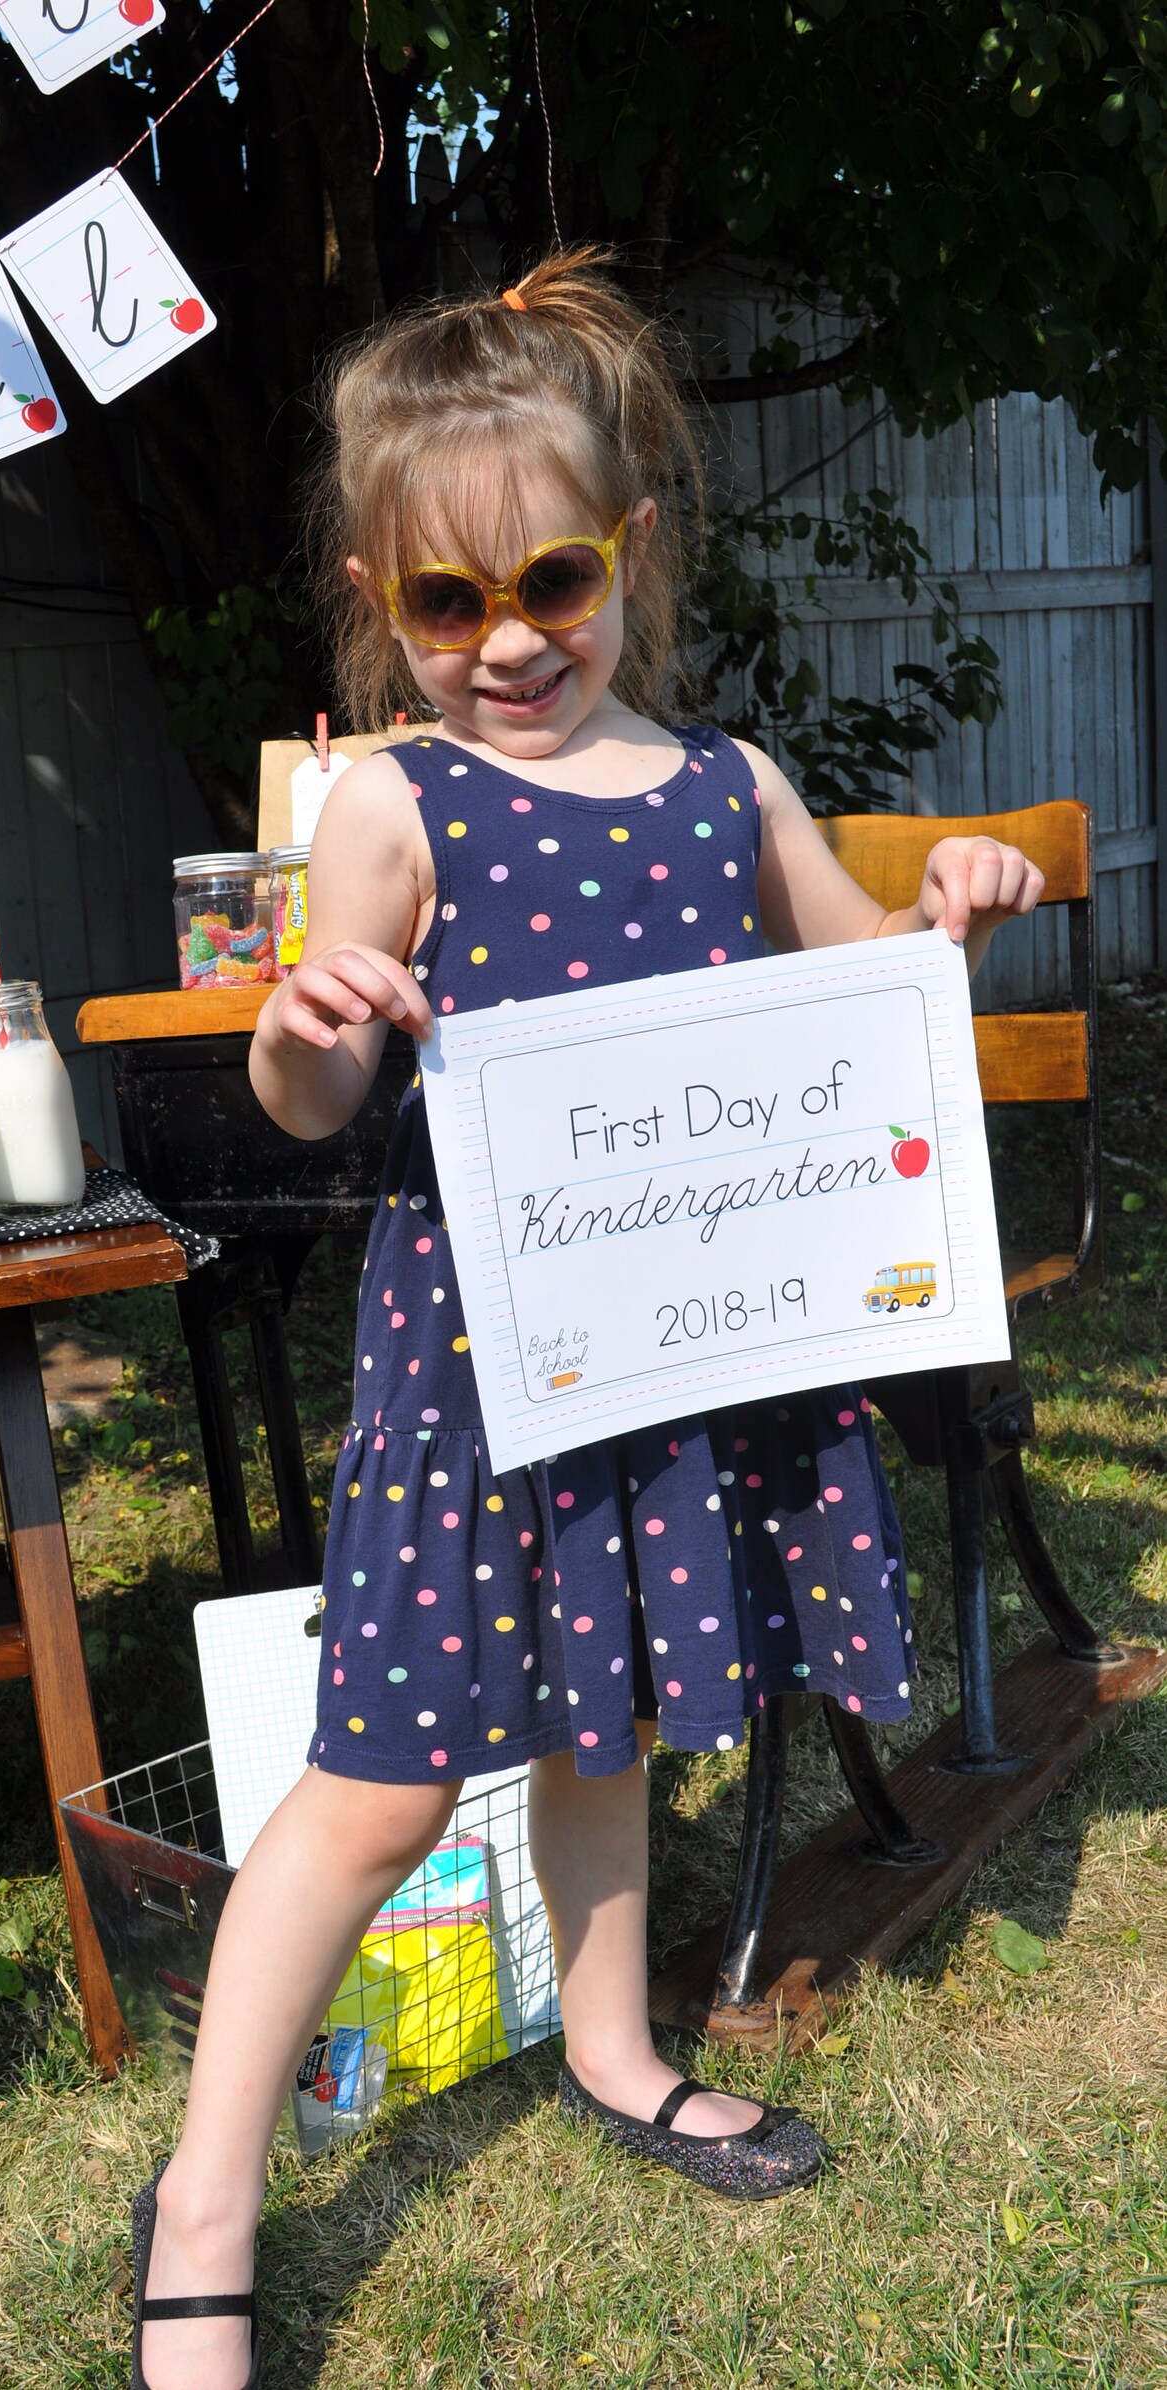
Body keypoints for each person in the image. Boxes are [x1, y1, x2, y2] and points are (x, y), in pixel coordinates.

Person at [127, 248, 1043, 2390]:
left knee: (608, 1711)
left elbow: (863, 990)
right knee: (373, 1779)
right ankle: (201, 2200)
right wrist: (305, 1020)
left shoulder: (727, 786)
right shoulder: (392, 801)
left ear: (620, 550)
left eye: (547, 580)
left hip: (684, 1354)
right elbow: (315, 1091)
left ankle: (614, 2050)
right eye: (446, 607)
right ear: (379, 594)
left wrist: (949, 909)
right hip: (481, 1377)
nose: (509, 642)